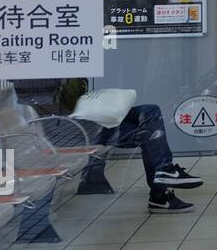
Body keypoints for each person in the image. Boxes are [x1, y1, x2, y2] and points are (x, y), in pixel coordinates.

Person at [57, 79, 203, 214]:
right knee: (149, 133)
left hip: (100, 117)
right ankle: (162, 185)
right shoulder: (63, 87)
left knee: (151, 111)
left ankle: (164, 179)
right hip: (94, 128)